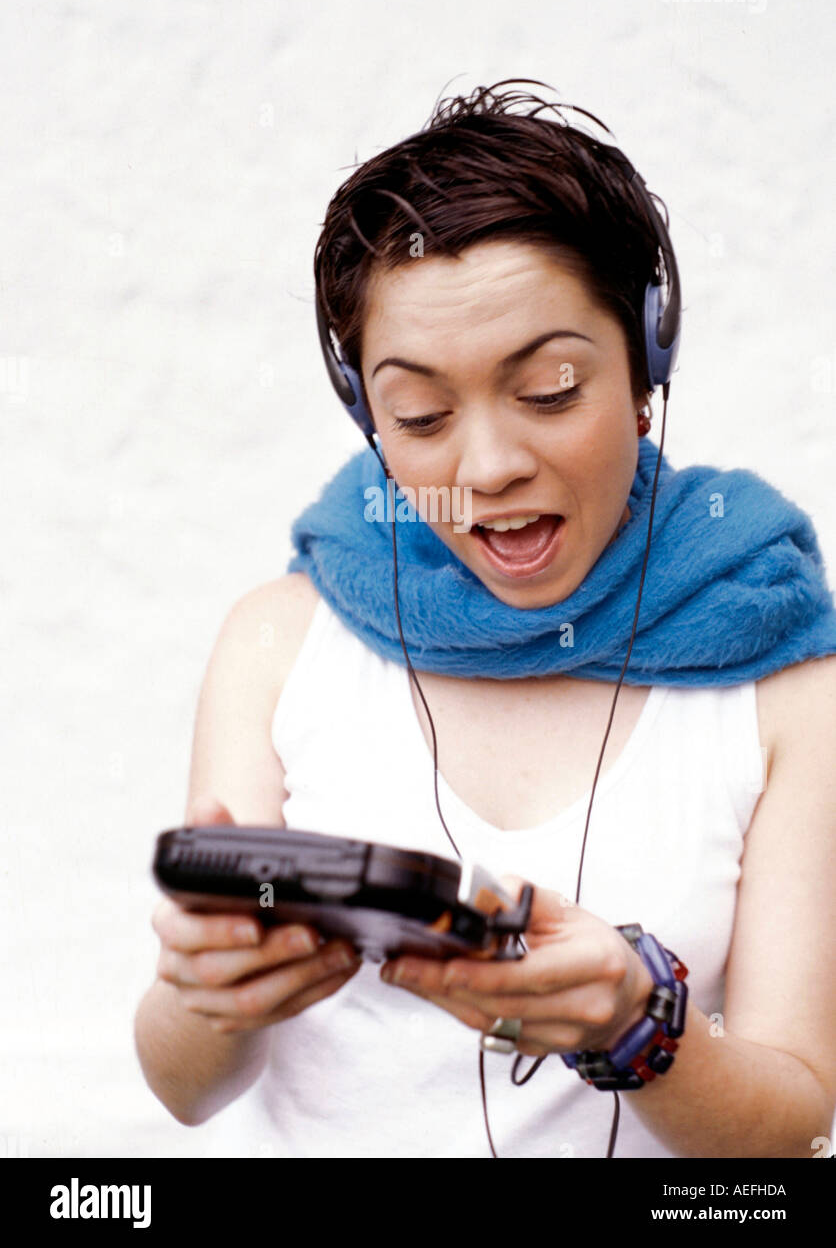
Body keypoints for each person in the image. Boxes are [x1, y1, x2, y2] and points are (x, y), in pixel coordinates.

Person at [135, 81, 836, 1159]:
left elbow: (788, 1123)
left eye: (551, 389)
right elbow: (184, 1091)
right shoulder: (279, 643)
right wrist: (212, 992)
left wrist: (637, 1027)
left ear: (647, 368)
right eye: (417, 414)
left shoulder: (782, 682)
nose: (490, 467)